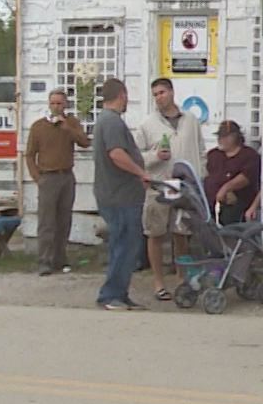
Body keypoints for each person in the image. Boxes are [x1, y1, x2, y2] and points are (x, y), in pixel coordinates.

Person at [139, 78, 206, 298]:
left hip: (185, 185)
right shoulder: (148, 124)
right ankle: (159, 283)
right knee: (155, 233)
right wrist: (154, 156)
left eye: (162, 92)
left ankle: (181, 278)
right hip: (159, 184)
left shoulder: (190, 120)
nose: (159, 98)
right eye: (155, 94)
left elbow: (201, 150)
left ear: (171, 92)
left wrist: (200, 176)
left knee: (182, 232)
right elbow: (137, 156)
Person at [92, 78, 150, 311]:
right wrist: (141, 173)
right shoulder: (112, 122)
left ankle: (121, 293)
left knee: (128, 246)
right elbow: (116, 154)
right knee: (123, 246)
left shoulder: (106, 120)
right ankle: (110, 295)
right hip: (119, 197)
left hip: (120, 195)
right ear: (122, 95)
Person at [26, 88, 91, 277]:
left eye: (59, 103)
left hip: (66, 175)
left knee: (64, 220)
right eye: (53, 103)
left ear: (65, 105)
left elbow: (85, 142)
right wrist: (37, 178)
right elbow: (30, 154)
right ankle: (44, 260)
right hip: (48, 176)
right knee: (47, 221)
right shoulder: (38, 127)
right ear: (49, 104)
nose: (56, 107)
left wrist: (68, 129)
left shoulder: (71, 123)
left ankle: (59, 258)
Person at [203, 120, 261, 227]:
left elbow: (246, 177)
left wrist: (226, 188)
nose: (221, 139)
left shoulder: (249, 155)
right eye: (220, 136)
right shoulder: (213, 155)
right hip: (210, 203)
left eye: (225, 136)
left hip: (235, 204)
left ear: (235, 136)